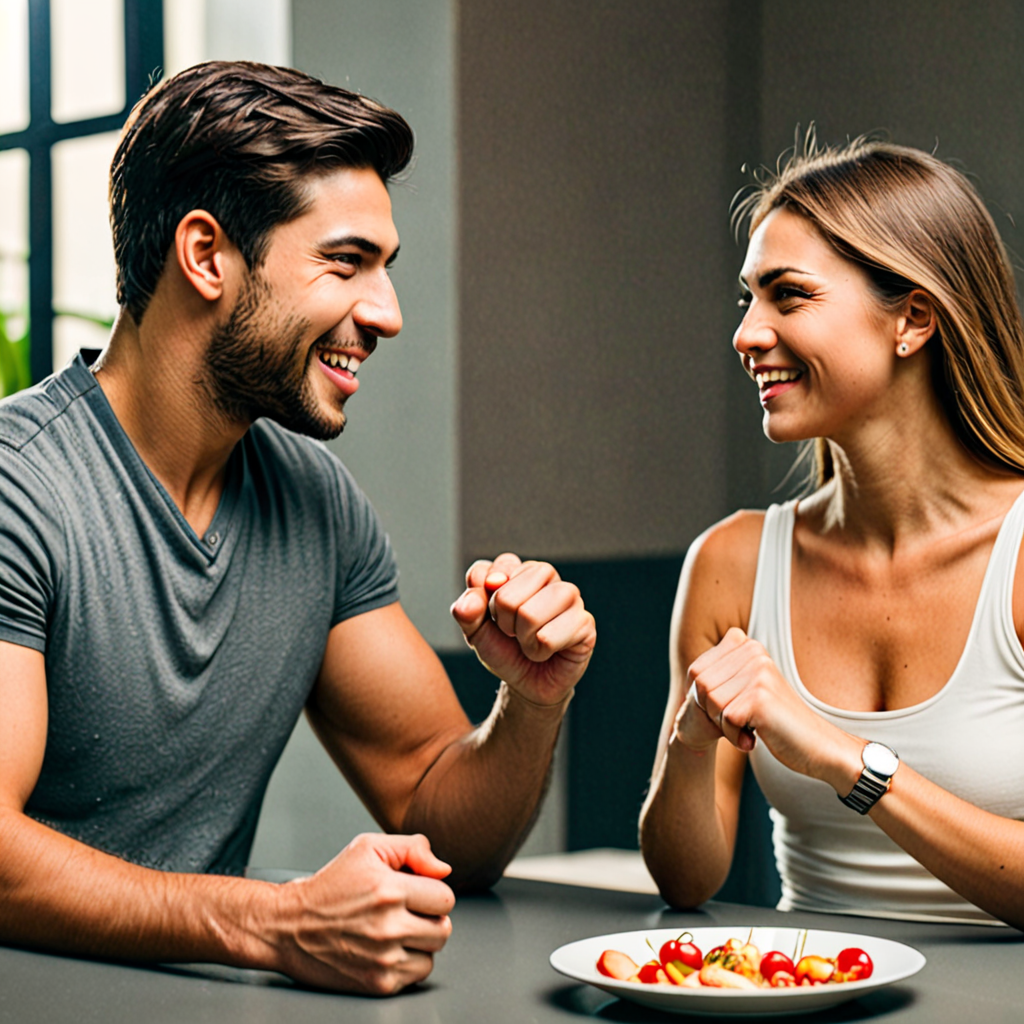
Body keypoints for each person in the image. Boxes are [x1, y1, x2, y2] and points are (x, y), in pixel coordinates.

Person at [0, 61, 595, 994]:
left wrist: (531, 701)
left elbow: (441, 821)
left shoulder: (314, 503)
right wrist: (276, 924)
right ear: (206, 257)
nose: (387, 314)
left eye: (385, 270)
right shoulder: (18, 489)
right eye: (346, 262)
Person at [640, 134, 1024, 929]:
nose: (747, 333)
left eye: (788, 295)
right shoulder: (732, 562)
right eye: (748, 298)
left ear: (912, 319)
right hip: (811, 993)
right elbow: (687, 881)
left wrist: (845, 760)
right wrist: (687, 743)